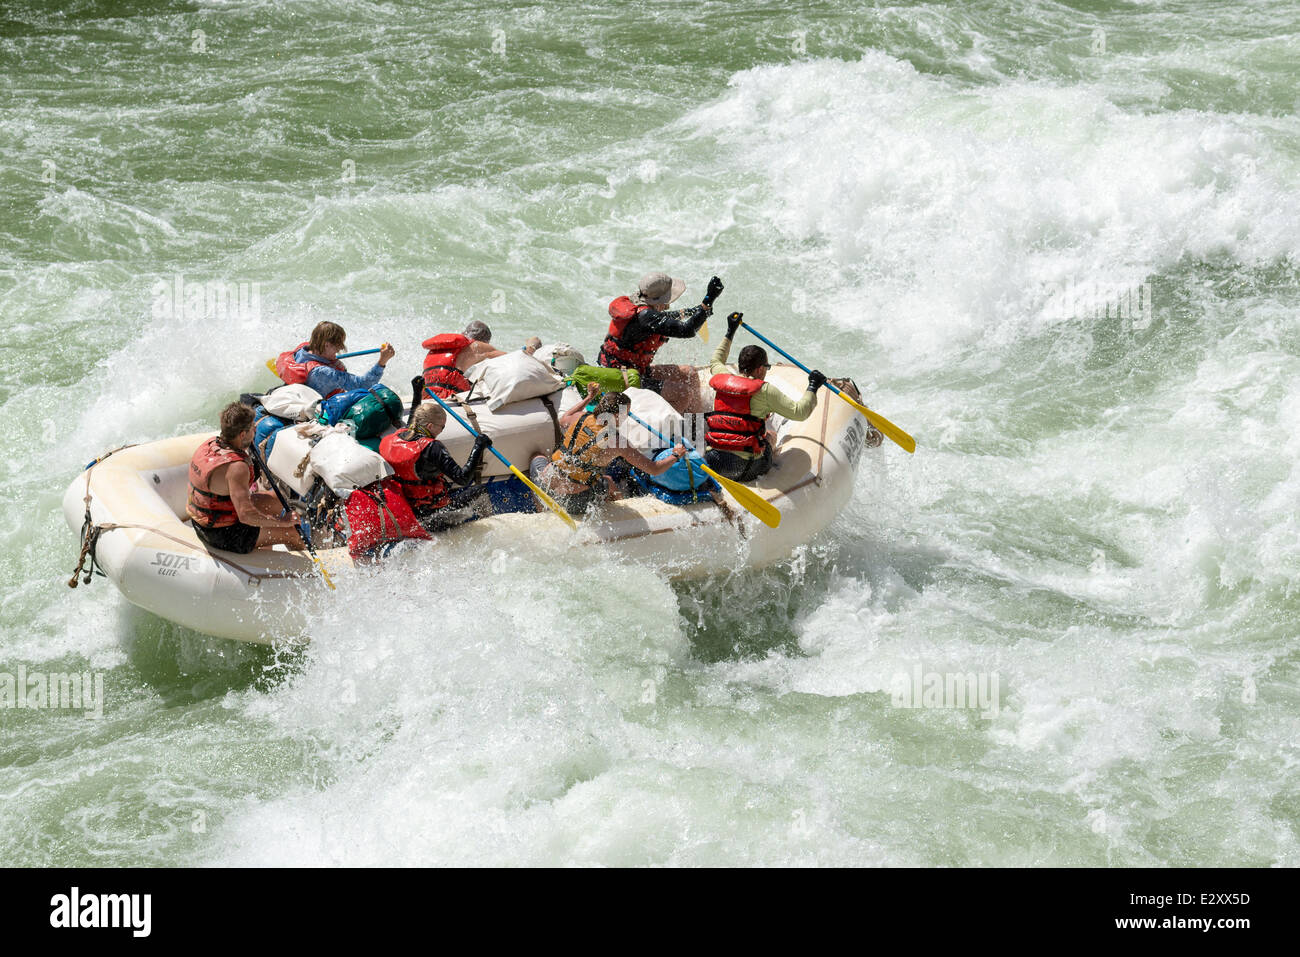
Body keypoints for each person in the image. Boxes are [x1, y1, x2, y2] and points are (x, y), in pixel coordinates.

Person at [703, 311, 827, 483]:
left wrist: (730, 331)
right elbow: (800, 412)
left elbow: (716, 360)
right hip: (743, 468)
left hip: (713, 460)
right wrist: (812, 386)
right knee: (771, 435)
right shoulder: (765, 390)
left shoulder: (722, 377)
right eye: (767, 367)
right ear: (760, 369)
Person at [540, 384, 688, 515]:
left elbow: (564, 417)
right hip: (574, 500)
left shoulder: (579, 417)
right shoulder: (617, 442)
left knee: (538, 459)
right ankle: (622, 515)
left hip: (547, 483)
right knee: (609, 483)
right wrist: (676, 454)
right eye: (627, 413)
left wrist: (589, 397)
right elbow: (653, 469)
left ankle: (540, 507)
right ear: (618, 415)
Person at [186, 402, 304, 553]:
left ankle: (265, 549)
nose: (255, 430)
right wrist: (283, 522)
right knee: (292, 533)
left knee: (276, 500)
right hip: (224, 534)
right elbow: (246, 516)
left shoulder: (209, 445)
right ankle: (310, 574)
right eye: (252, 429)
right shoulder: (237, 468)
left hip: (205, 521)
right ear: (242, 434)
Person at [597, 272, 723, 410]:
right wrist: (708, 301)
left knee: (690, 373)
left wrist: (693, 311)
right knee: (682, 393)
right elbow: (687, 330)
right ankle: (676, 430)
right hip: (623, 377)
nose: (668, 303)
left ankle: (696, 424)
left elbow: (662, 318)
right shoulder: (646, 316)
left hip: (634, 370)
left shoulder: (639, 304)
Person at [378, 403, 494, 531]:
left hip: (406, 510)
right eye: (442, 427)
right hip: (434, 517)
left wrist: (417, 393)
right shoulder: (432, 448)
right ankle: (487, 527)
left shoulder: (393, 438)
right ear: (430, 426)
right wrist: (478, 446)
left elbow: (411, 421)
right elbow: (463, 479)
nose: (441, 431)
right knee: (481, 490)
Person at [275, 321, 395, 399]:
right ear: (327, 345)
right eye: (338, 345)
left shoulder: (303, 349)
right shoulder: (323, 373)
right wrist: (382, 362)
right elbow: (363, 385)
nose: (340, 348)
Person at [420, 320, 507, 399]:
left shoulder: (440, 348)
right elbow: (508, 358)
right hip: (446, 398)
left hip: (425, 395)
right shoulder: (477, 345)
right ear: (485, 341)